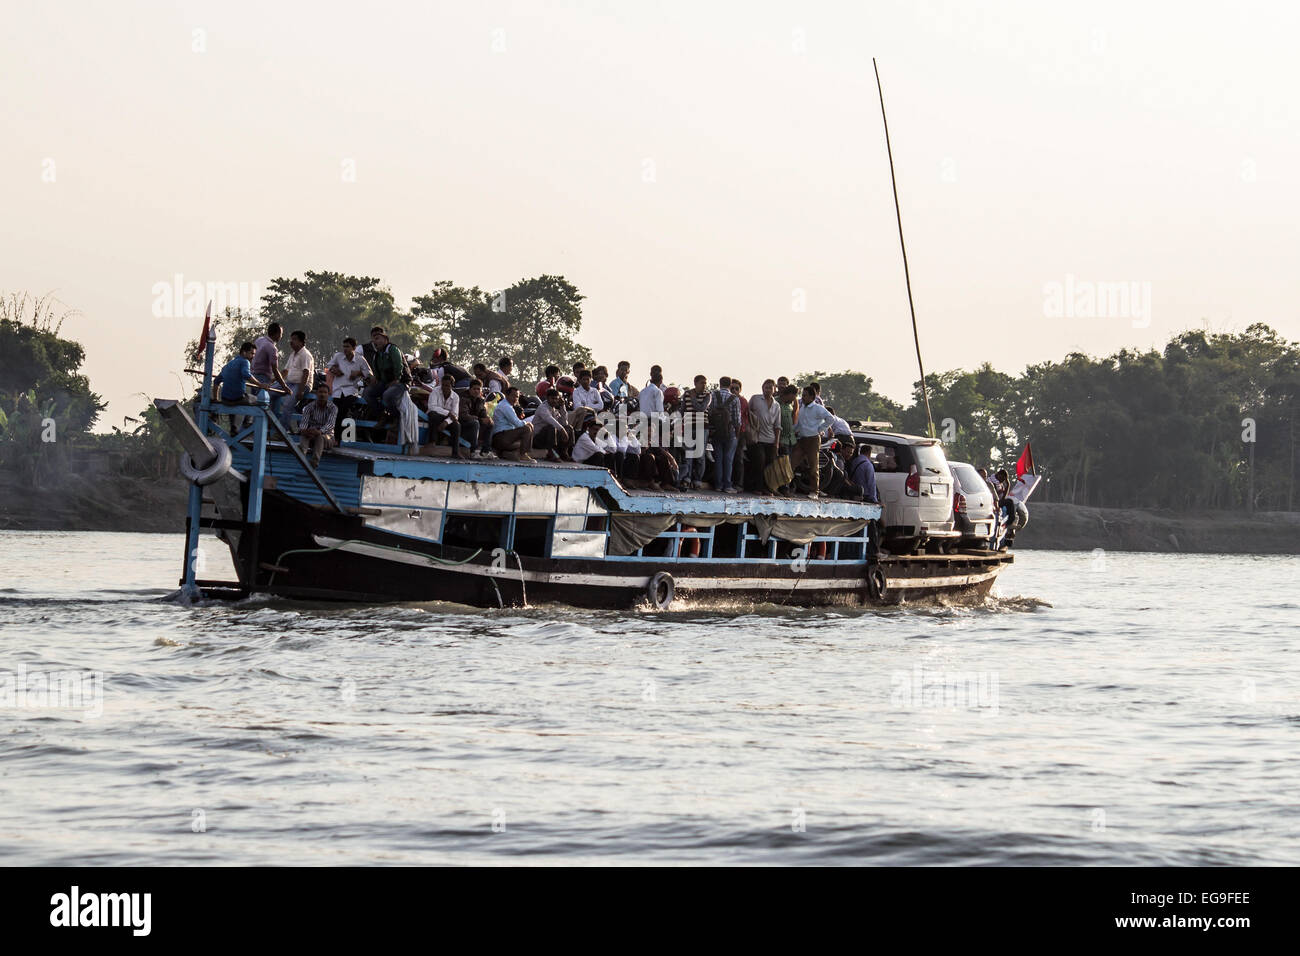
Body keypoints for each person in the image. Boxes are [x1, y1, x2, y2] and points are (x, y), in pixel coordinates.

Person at [789, 386, 836, 498]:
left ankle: (814, 491)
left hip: (813, 440)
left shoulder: (818, 408)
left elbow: (831, 419)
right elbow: (799, 425)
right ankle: (786, 487)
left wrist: (820, 429)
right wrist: (792, 431)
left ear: (811, 396)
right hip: (802, 439)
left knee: (813, 467)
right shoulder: (802, 408)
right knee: (791, 464)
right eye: (802, 395)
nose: (803, 397)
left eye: (805, 395)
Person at [215, 341, 271, 433]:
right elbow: (246, 374)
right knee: (257, 400)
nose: (253, 356)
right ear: (244, 352)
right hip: (237, 399)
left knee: (232, 399)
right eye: (251, 353)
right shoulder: (245, 361)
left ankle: (233, 427)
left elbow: (216, 382)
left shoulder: (228, 364)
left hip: (225, 400)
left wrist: (216, 399)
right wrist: (260, 384)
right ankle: (247, 422)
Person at [362, 329, 408, 437]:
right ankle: (383, 415)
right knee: (367, 393)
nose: (375, 341)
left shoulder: (393, 349)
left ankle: (397, 417)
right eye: (373, 339)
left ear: (385, 339)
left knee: (387, 395)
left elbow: (398, 366)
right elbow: (378, 375)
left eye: (377, 338)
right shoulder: (377, 355)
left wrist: (396, 380)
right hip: (386, 383)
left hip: (401, 382)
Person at [326, 337, 372, 430]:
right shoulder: (338, 356)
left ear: (354, 348)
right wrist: (335, 370)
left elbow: (369, 373)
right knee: (336, 412)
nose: (345, 349)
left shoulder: (360, 359)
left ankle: (336, 437)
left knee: (342, 411)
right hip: (338, 389)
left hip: (351, 390)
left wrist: (358, 373)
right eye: (344, 346)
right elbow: (329, 366)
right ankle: (335, 437)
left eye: (347, 346)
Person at [709, 376, 741, 493]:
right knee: (728, 459)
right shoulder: (734, 398)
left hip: (716, 431)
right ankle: (727, 485)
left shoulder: (713, 395)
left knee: (718, 458)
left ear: (720, 383)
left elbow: (710, 413)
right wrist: (736, 435)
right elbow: (737, 420)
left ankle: (718, 485)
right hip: (730, 431)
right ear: (730, 385)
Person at [748, 378, 781, 492]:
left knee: (769, 465)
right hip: (757, 438)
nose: (767, 390)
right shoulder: (755, 399)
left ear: (774, 389)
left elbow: (777, 426)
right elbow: (747, 413)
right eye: (766, 387)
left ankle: (767, 488)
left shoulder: (777, 405)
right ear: (762, 388)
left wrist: (776, 443)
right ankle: (757, 487)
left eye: (770, 388)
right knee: (759, 462)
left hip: (770, 439)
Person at [277, 330, 315, 428]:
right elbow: (285, 371)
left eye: (294, 339)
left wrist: (301, 391)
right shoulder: (293, 354)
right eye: (291, 339)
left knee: (288, 403)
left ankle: (282, 430)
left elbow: (306, 373)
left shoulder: (305, 354)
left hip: (301, 384)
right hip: (290, 383)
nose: (291, 341)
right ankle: (271, 423)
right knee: (269, 393)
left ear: (301, 342)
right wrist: (272, 382)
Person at [680, 375, 711, 489]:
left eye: (705, 383)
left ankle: (697, 480)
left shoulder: (708, 395)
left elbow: (701, 408)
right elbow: (683, 409)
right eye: (702, 383)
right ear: (695, 383)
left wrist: (693, 398)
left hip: (702, 427)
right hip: (689, 426)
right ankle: (687, 478)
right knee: (689, 454)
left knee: (700, 455)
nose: (704, 385)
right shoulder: (687, 394)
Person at [425, 375, 465, 458]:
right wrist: (448, 413)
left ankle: (455, 452)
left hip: (446, 419)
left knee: (457, 425)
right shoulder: (435, 391)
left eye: (447, 385)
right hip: (435, 415)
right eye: (443, 385)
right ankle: (432, 442)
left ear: (452, 386)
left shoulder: (455, 397)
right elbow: (432, 407)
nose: (444, 387)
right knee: (433, 415)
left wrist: (446, 422)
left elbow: (455, 415)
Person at [299, 383, 338, 468]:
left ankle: (314, 462)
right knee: (304, 435)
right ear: (316, 393)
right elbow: (303, 424)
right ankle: (301, 457)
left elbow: (330, 424)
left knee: (320, 437)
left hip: (328, 438)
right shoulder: (309, 407)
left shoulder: (333, 408)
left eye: (325, 392)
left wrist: (319, 431)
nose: (322, 394)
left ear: (328, 394)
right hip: (312, 435)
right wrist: (306, 431)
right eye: (320, 392)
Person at [491, 386, 534, 460]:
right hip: (500, 437)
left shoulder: (508, 406)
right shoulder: (506, 406)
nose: (515, 399)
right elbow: (517, 423)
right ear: (507, 395)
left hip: (503, 437)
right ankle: (523, 454)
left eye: (517, 397)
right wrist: (527, 423)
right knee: (527, 429)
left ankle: (506, 453)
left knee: (526, 438)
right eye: (513, 396)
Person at [531, 387, 574, 461]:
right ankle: (550, 454)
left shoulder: (555, 409)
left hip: (550, 437)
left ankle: (564, 452)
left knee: (569, 428)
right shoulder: (542, 408)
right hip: (537, 439)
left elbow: (564, 422)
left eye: (556, 399)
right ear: (547, 398)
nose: (554, 401)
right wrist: (562, 430)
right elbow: (550, 420)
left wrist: (562, 406)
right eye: (552, 398)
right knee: (551, 427)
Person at [458, 378, 494, 459]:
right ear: (470, 389)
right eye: (474, 389)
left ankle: (486, 451)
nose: (476, 391)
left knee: (490, 423)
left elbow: (483, 413)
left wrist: (487, 418)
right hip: (462, 426)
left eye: (478, 389)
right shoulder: (463, 398)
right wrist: (481, 419)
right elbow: (463, 415)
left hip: (474, 424)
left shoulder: (480, 400)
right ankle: (473, 451)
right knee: (475, 423)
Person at [840, 438, 879, 503]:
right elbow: (871, 483)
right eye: (848, 452)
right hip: (864, 496)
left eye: (851, 453)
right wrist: (874, 499)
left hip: (852, 494)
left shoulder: (854, 462)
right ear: (869, 453)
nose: (849, 455)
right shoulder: (868, 465)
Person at [729, 379, 748, 492]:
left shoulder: (742, 401)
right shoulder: (727, 399)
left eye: (737, 388)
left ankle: (739, 483)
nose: (734, 390)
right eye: (732, 388)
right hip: (727, 431)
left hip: (740, 432)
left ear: (740, 390)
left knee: (738, 458)